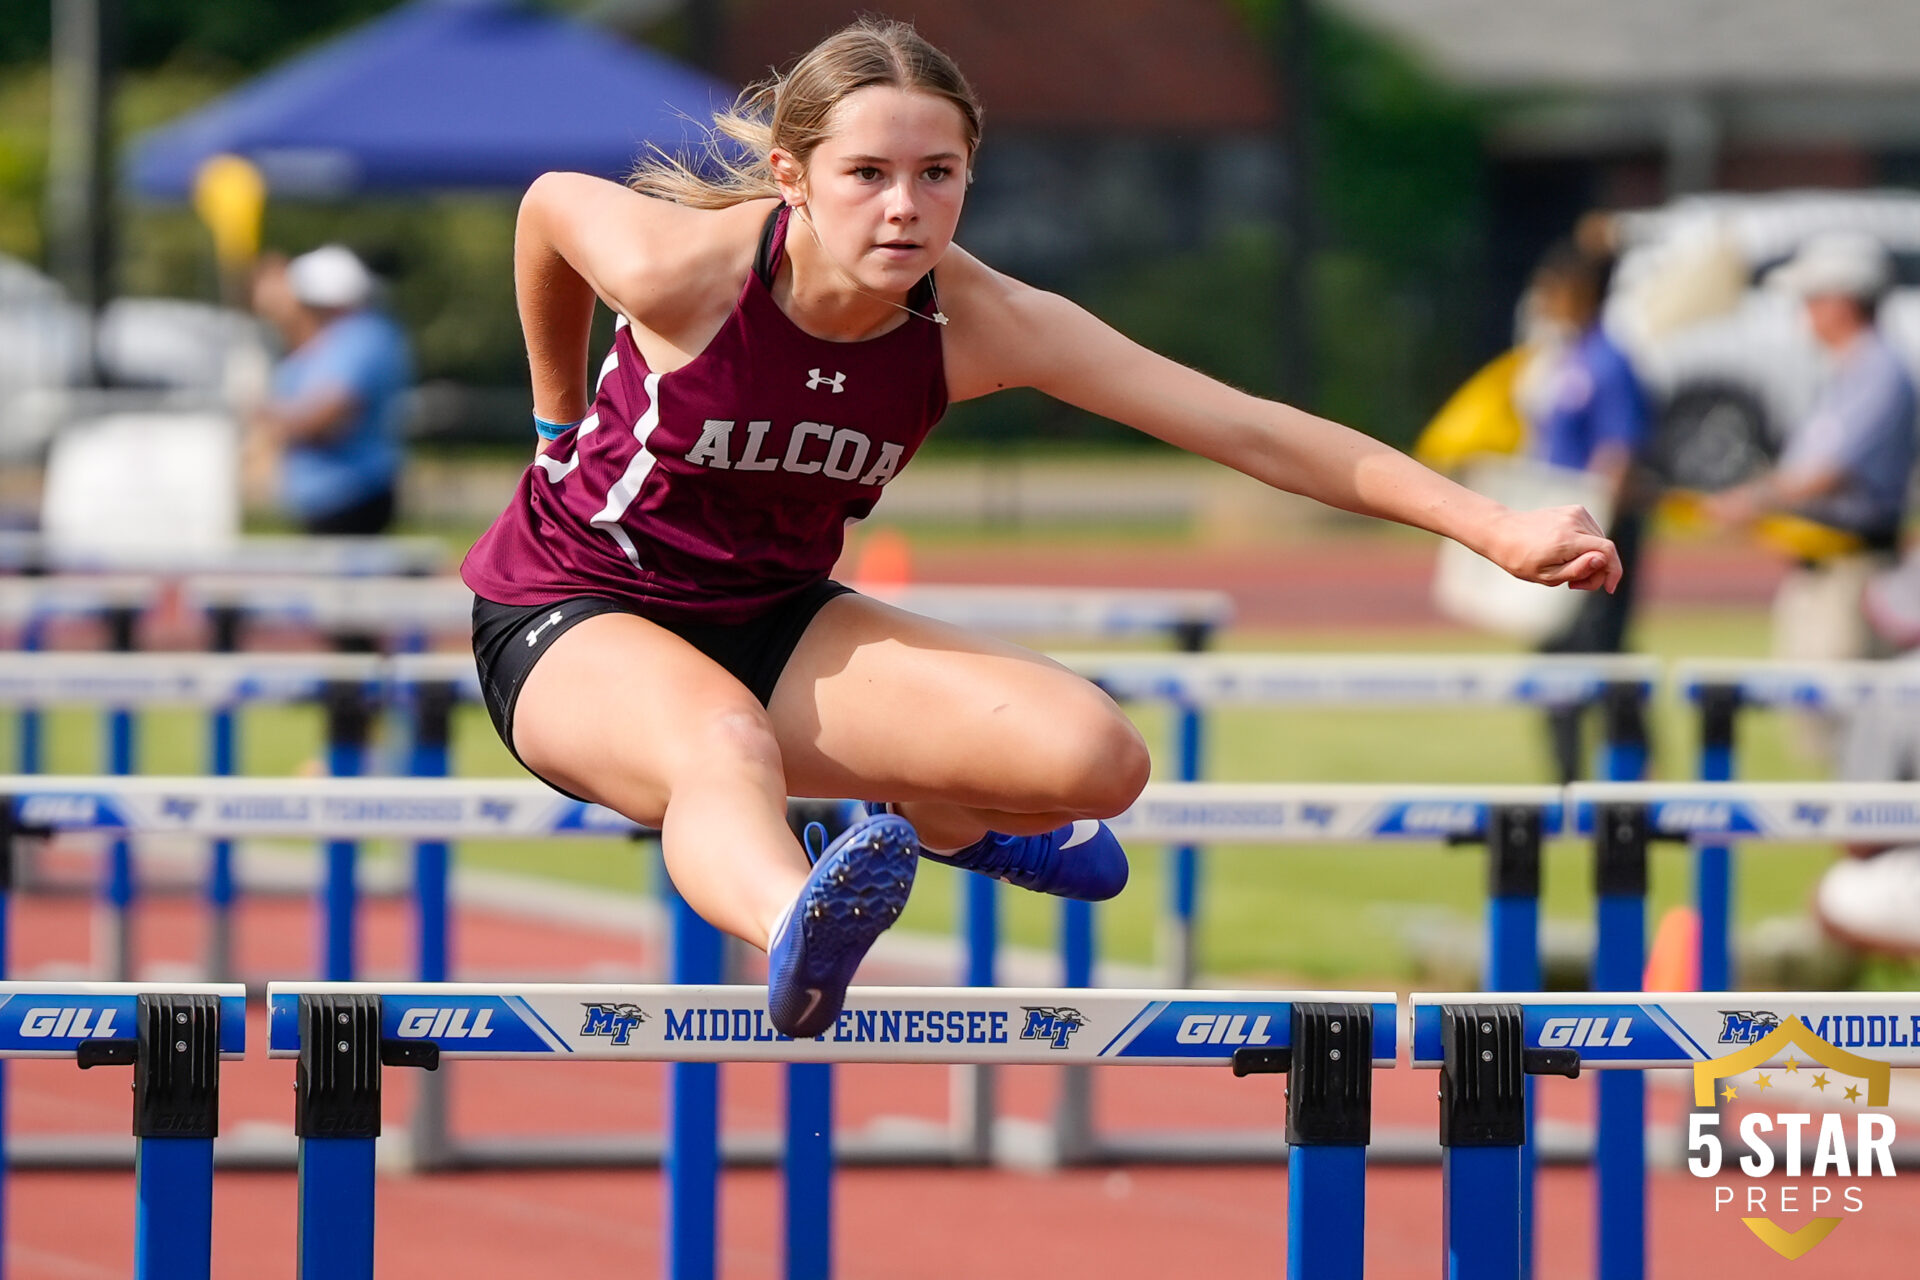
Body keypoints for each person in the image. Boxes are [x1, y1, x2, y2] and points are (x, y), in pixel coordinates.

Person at [461, 19, 1621, 1039]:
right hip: (574, 611)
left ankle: (944, 815)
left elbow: (1251, 428)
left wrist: (1490, 524)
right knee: (722, 745)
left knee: (1096, 760)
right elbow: (548, 208)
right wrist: (555, 413)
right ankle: (796, 924)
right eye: (866, 173)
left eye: (938, 173)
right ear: (793, 176)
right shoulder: (687, 274)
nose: (906, 207)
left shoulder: (987, 320)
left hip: (772, 620)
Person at [1700, 231, 1919, 958]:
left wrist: (1749, 500)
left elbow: (1824, 476)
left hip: (1854, 578)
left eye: (1811, 299)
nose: (1803, 313)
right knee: (1842, 749)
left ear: (1839, 301)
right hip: (1828, 574)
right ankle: (1858, 923)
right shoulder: (1852, 370)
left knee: (1863, 750)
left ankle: (1862, 927)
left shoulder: (1878, 373)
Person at [1515, 239, 1654, 783]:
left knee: (1596, 652)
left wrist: (1595, 537)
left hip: (1592, 532)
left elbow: (1616, 457)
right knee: (1556, 653)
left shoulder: (1607, 361)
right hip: (1556, 522)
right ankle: (1567, 774)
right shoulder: (1564, 356)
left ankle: (1633, 772)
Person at [248, 245, 412, 536]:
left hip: (350, 494)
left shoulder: (361, 336)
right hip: (333, 495)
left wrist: (274, 422)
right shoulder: (342, 337)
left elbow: (328, 418)